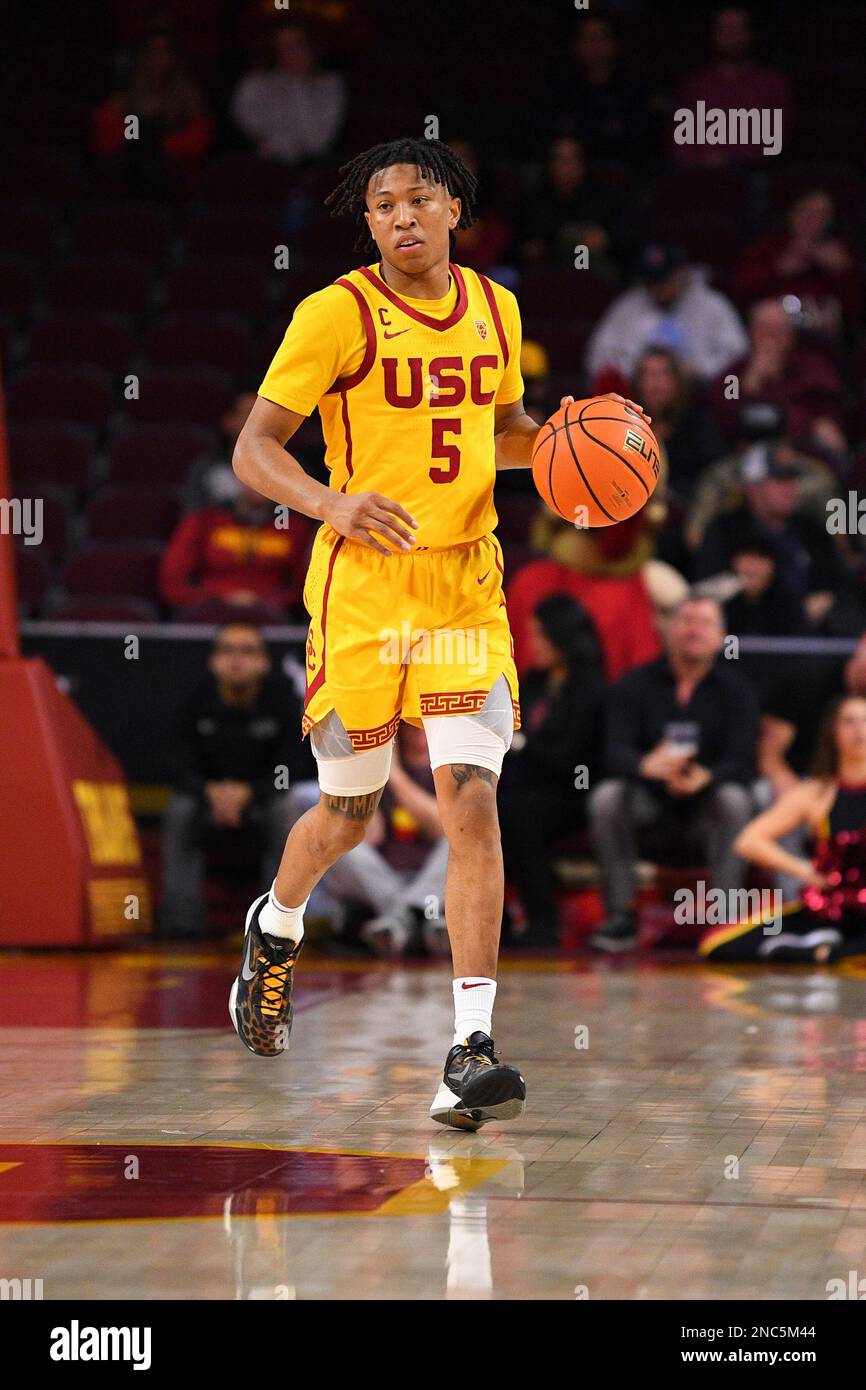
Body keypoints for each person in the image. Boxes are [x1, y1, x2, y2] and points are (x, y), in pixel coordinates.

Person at [225, 133, 650, 1128]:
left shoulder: (495, 309)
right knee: (349, 813)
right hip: (362, 592)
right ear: (366, 222)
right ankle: (275, 924)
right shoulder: (334, 314)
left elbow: (493, 431)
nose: (400, 217)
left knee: (469, 807)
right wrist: (329, 503)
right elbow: (254, 449)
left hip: (462, 584)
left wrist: (558, 445)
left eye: (418, 198)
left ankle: (467, 1048)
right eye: (381, 205)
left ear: (454, 207)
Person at [588, 594, 757, 952]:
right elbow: (612, 751)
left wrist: (706, 777)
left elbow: (743, 760)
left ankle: (725, 921)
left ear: (722, 635)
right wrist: (645, 766)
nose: (694, 630)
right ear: (666, 628)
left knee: (737, 798)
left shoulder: (737, 690)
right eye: (685, 620)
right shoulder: (634, 684)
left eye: (705, 623)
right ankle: (620, 917)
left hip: (706, 809)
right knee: (606, 797)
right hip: (649, 805)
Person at [161, 623, 303, 938]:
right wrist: (209, 791)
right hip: (205, 800)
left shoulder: (282, 703)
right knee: (180, 809)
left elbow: (294, 765)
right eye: (227, 651)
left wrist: (249, 792)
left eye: (247, 651)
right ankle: (182, 925)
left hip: (262, 801)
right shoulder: (193, 699)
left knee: (288, 811)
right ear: (213, 661)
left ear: (265, 662)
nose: (236, 660)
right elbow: (174, 760)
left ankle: (275, 925)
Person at [700, 695, 866, 962]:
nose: (860, 731)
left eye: (865, 721)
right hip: (828, 907)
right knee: (719, 945)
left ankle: (827, 953)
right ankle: (824, 951)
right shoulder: (816, 792)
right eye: (849, 722)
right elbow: (749, 841)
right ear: (833, 733)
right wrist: (804, 870)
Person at [499, 594, 604, 947]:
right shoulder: (534, 682)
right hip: (527, 787)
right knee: (490, 804)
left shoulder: (589, 689)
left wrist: (523, 744)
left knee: (518, 813)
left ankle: (544, 922)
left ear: (563, 638)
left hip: (574, 793)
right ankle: (493, 923)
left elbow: (573, 759)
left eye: (541, 635)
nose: (535, 644)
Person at [586, 241, 748, 383]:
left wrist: (699, 370)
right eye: (653, 281)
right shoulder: (627, 307)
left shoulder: (712, 305)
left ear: (682, 272)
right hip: (637, 398)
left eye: (665, 279)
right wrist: (639, 372)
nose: (659, 288)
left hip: (699, 396)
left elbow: (737, 357)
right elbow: (598, 359)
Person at [159, 478, 311, 621]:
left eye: (265, 474)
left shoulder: (295, 527)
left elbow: (305, 587)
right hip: (208, 616)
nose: (259, 482)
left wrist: (265, 603)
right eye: (253, 473)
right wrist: (215, 600)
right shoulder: (204, 521)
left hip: (271, 620)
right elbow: (173, 582)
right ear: (238, 475)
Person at [92, 28, 212, 193]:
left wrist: (163, 144)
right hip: (130, 175)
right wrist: (137, 136)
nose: (158, 59)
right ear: (142, 57)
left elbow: (199, 139)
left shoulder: (187, 95)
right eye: (153, 52)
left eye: (165, 52)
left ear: (175, 58)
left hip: (173, 177)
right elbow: (108, 139)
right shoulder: (127, 92)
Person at [672, 6, 790, 170]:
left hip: (752, 175)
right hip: (698, 173)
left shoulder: (772, 83)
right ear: (713, 35)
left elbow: (774, 139)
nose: (731, 36)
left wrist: (731, 159)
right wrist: (701, 160)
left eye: (736, 29)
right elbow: (680, 141)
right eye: (724, 29)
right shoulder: (694, 85)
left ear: (750, 34)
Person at [230, 21, 346, 168]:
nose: (292, 53)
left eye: (298, 45)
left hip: (313, 172)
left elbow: (317, 144)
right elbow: (247, 129)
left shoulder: (330, 86)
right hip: (261, 170)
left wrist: (300, 87)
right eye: (283, 47)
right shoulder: (256, 85)